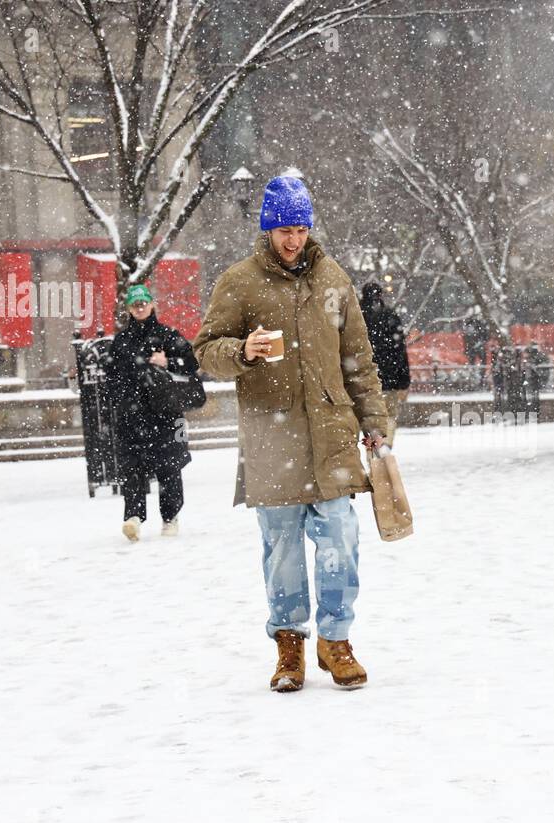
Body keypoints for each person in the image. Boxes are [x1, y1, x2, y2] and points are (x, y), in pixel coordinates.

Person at [192, 174, 390, 691]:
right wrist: (241, 352)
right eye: (283, 228)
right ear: (267, 228)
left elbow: (359, 361)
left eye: (300, 227)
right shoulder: (239, 282)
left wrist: (375, 423)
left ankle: (335, 639)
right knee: (280, 548)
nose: (292, 239)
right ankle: (289, 646)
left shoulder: (334, 280)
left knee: (340, 540)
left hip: (332, 434)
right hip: (271, 436)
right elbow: (205, 351)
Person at [108, 284, 198, 542]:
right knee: (132, 470)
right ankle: (133, 519)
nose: (140, 308)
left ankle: (170, 518)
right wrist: (123, 400)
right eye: (135, 304)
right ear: (128, 308)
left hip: (166, 415)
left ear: (152, 304)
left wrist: (167, 362)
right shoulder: (122, 341)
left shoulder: (168, 335)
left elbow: (192, 365)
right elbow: (112, 380)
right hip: (133, 418)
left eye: (143, 303)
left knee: (169, 467)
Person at [361, 281, 411, 441]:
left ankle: (373, 453)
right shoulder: (390, 316)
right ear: (380, 295)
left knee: (369, 421)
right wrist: (404, 382)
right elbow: (400, 350)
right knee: (389, 417)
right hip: (389, 379)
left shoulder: (357, 316)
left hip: (364, 382)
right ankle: (384, 449)